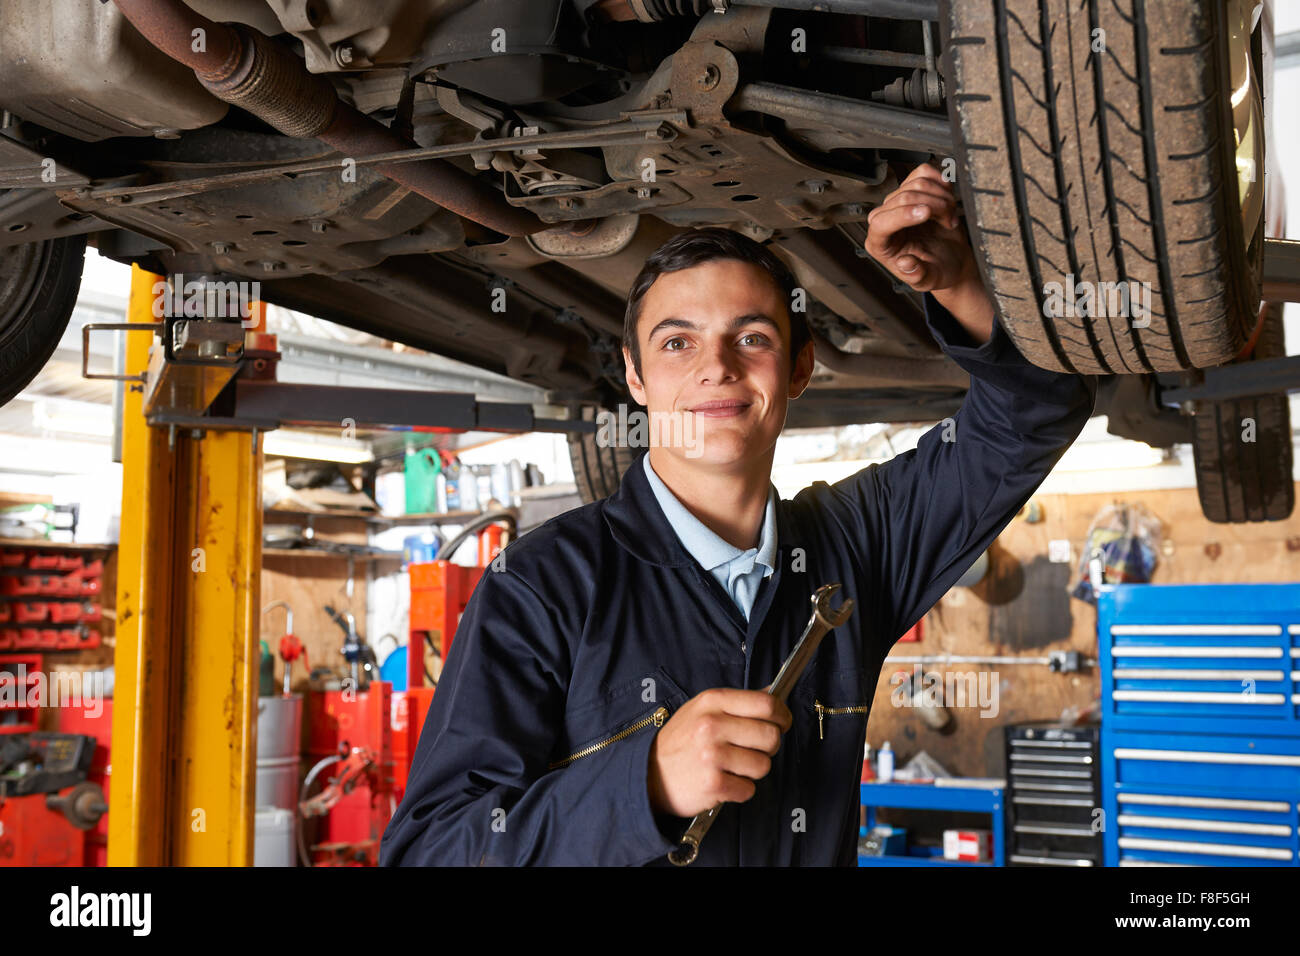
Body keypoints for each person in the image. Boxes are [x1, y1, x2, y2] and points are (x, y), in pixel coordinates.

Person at [380, 163, 1097, 865]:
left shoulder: (857, 547)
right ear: (635, 376)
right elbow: (429, 850)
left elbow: (1034, 412)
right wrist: (645, 785)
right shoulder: (540, 586)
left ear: (799, 368)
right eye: (676, 342)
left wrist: (958, 284)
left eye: (751, 337)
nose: (716, 366)